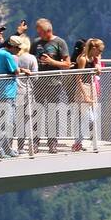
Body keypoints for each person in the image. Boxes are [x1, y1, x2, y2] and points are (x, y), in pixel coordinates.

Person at [28, 18, 72, 153]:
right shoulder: (36, 43)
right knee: (36, 113)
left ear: (48, 31)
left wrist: (52, 62)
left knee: (52, 114)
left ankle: (52, 143)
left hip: (54, 84)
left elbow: (67, 64)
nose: (39, 35)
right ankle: (35, 142)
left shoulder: (59, 43)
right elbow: (30, 58)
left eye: (41, 32)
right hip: (38, 83)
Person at [73, 38, 105, 151]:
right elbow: (78, 78)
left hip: (92, 86)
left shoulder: (93, 58)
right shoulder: (83, 59)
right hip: (84, 88)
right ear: (94, 48)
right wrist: (85, 95)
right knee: (89, 118)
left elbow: (98, 66)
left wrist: (98, 66)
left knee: (88, 118)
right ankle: (78, 142)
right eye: (99, 51)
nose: (100, 54)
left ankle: (77, 143)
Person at [0, 37, 19, 159]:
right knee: (3, 123)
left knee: (9, 124)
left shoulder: (0, 51)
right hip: (4, 94)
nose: (19, 50)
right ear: (11, 46)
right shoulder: (6, 55)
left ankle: (6, 148)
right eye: (17, 48)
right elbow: (16, 71)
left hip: (7, 93)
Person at [11, 35, 37, 154]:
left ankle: (9, 146)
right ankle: (21, 147)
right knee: (26, 121)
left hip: (14, 91)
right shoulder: (31, 58)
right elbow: (35, 77)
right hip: (27, 92)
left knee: (13, 121)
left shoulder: (12, 57)